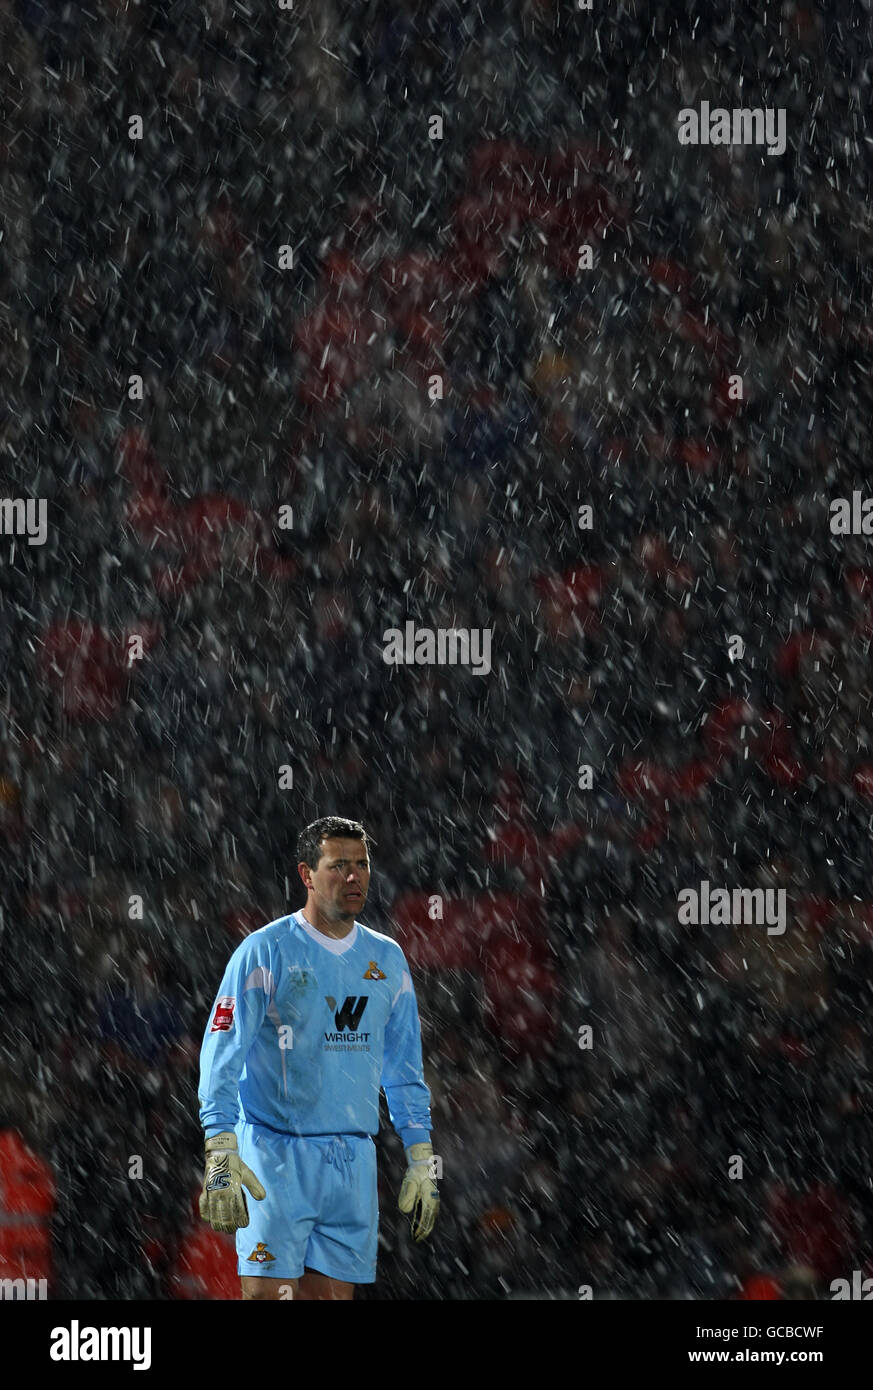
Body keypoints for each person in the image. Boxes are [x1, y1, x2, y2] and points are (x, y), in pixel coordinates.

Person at [197, 815, 439, 1300]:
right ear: (306, 875)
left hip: (351, 1161)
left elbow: (404, 1068)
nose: (354, 877)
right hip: (275, 1155)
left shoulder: (388, 960)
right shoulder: (264, 951)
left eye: (362, 865)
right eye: (339, 865)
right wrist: (220, 1147)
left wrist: (421, 1155)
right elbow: (222, 1053)